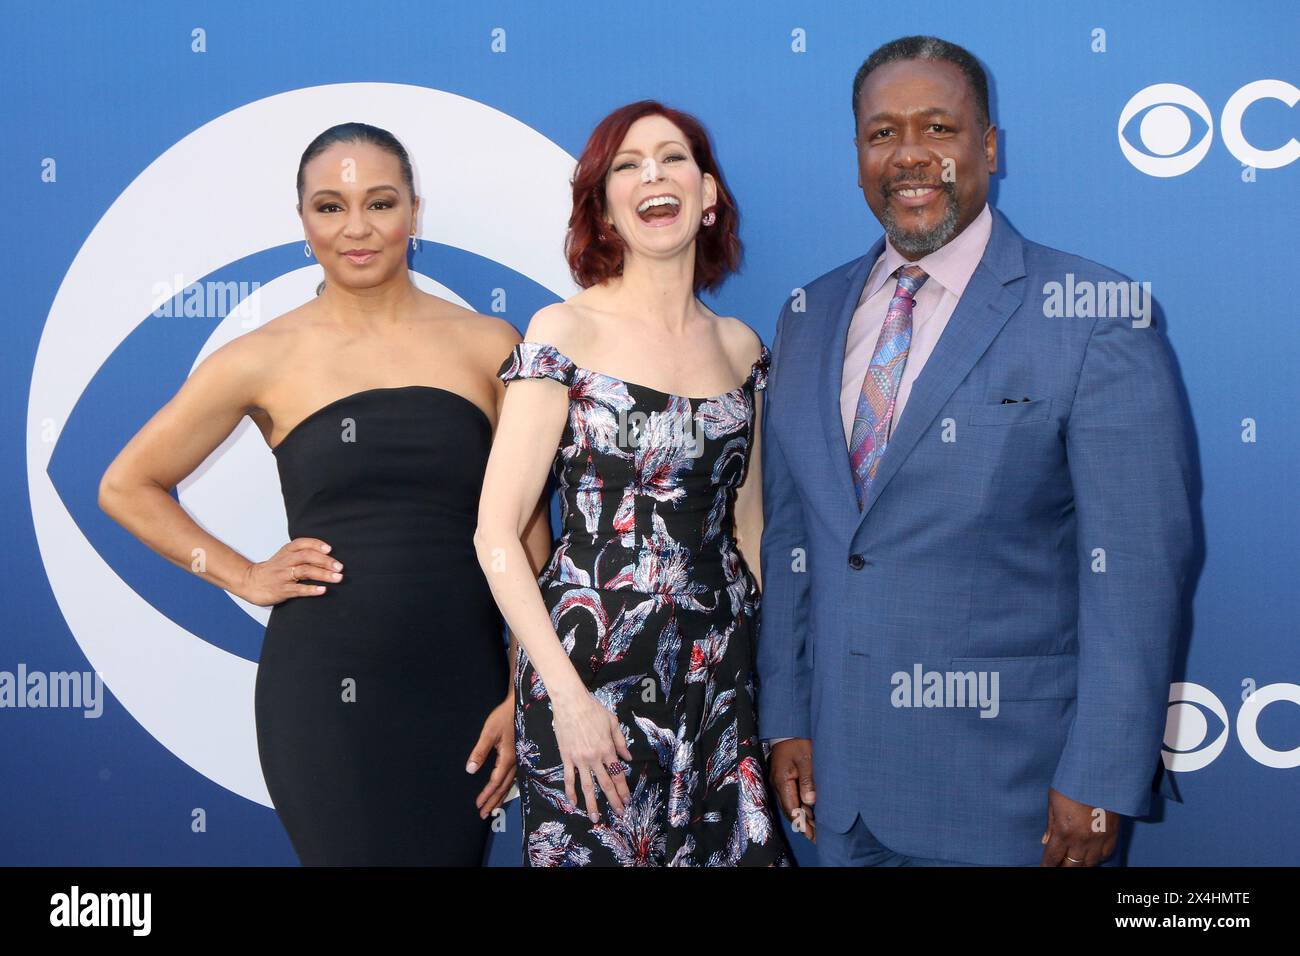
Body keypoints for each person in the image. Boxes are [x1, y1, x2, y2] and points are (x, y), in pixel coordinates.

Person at [758, 37, 1194, 867]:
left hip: (1015, 798)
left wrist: (1100, 775)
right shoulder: (808, 317)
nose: (911, 154)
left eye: (938, 128)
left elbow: (1137, 570)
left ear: (988, 147)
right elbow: (795, 543)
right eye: (883, 133)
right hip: (843, 794)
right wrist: (788, 714)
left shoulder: (1091, 316)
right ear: (857, 157)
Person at [98, 122, 551, 865]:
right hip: (325, 692)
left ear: (415, 211)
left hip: (466, 685)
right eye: (330, 207)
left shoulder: (491, 343)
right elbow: (126, 486)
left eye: (380, 202)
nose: (358, 228)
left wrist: (522, 687)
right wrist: (242, 574)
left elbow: (530, 533)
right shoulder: (261, 355)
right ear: (302, 221)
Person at [476, 100, 790, 866]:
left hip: (719, 678)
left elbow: (750, 532)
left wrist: (781, 688)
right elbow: (496, 535)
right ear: (605, 207)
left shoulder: (741, 347)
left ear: (708, 194)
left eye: (673, 157)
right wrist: (564, 701)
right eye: (627, 164)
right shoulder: (563, 332)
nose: (652, 173)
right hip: (591, 684)